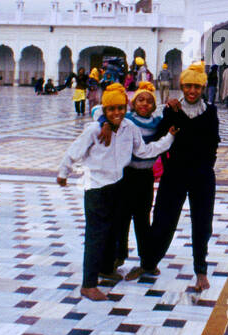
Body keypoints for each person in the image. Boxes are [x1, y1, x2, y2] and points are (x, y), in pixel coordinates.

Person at [57, 83, 176, 301]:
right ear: (104, 110)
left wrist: (168, 139)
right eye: (111, 109)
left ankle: (106, 269)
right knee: (96, 235)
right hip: (96, 188)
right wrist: (63, 173)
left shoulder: (129, 127)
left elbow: (143, 150)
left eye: (120, 108)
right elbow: (74, 152)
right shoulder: (94, 129)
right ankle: (88, 284)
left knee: (111, 231)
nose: (117, 113)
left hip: (117, 185)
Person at [130, 62, 220, 292]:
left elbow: (213, 143)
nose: (192, 91)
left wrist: (205, 167)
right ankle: (148, 264)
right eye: (188, 86)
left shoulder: (210, 112)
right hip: (176, 174)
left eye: (197, 87)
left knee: (202, 223)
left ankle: (201, 271)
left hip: (202, 176)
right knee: (163, 219)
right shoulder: (172, 110)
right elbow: (158, 136)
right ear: (182, 87)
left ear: (202, 89)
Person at [91, 80, 167, 272]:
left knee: (142, 219)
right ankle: (119, 256)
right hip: (126, 176)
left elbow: (171, 116)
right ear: (133, 103)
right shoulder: (128, 120)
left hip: (145, 177)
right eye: (140, 99)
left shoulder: (156, 123)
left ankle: (146, 260)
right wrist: (105, 123)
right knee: (121, 218)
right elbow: (98, 109)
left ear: (154, 105)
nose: (144, 104)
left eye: (149, 101)